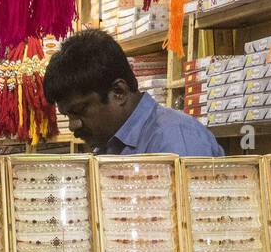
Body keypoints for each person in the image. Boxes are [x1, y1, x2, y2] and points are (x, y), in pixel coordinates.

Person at [44, 28, 223, 157]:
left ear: (119, 92)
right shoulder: (110, 144)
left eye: (80, 111)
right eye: (67, 116)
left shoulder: (175, 139)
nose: (73, 126)